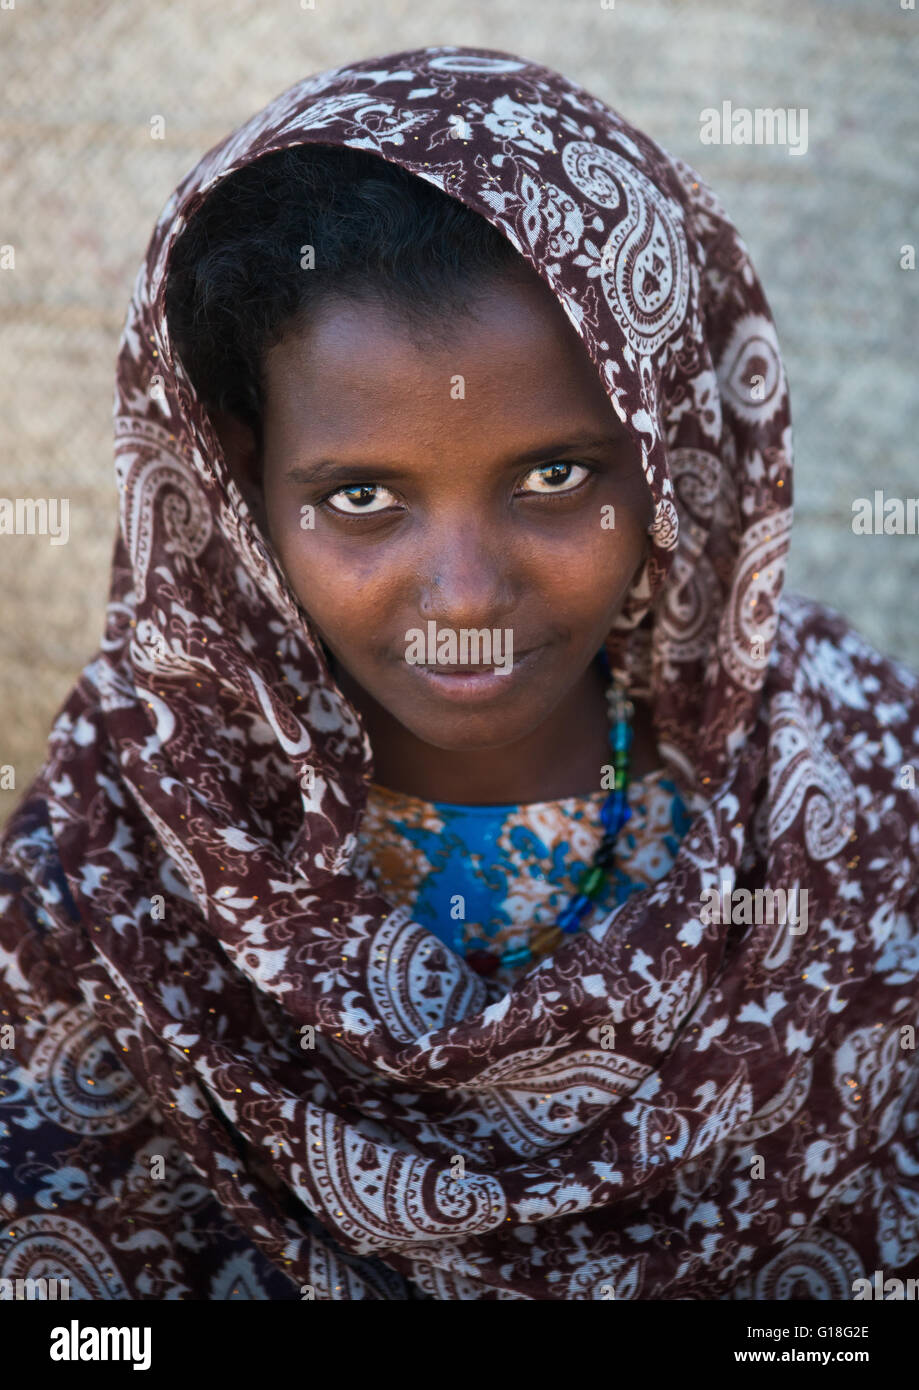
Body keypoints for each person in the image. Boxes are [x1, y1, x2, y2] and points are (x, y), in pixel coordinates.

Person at [0, 44, 917, 1301]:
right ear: (242, 484)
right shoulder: (123, 830)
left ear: (669, 453)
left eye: (555, 477)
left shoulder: (845, 776)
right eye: (364, 497)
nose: (469, 594)